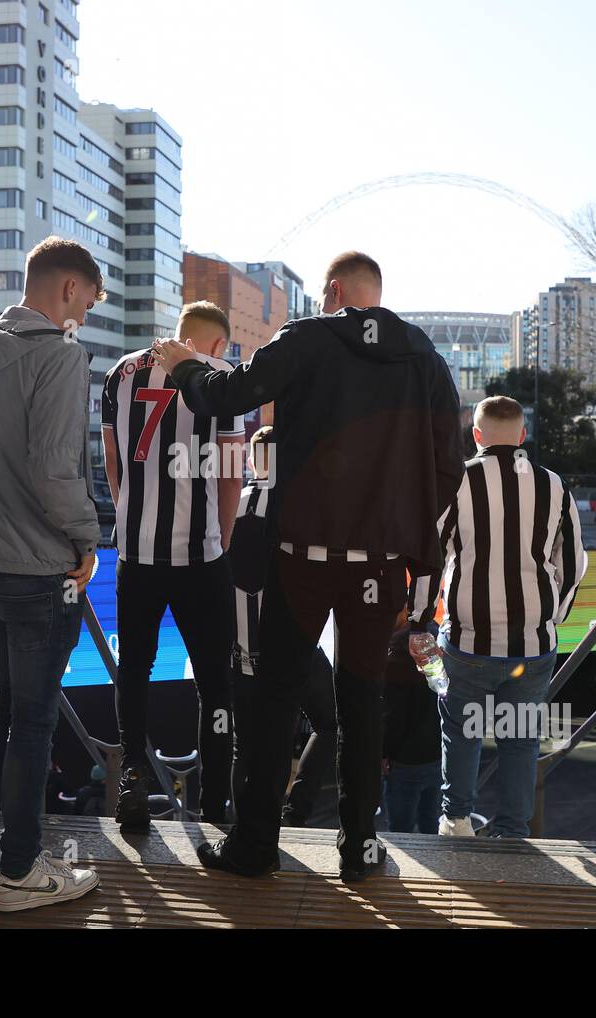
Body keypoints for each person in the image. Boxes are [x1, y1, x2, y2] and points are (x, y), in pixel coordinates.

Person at [153, 251, 465, 881]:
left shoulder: (308, 338)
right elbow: (449, 465)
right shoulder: (425, 359)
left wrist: (184, 365)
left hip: (304, 558)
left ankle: (256, 846)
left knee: (274, 702)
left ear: (332, 291)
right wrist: (410, 542)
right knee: (362, 701)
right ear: (376, 294)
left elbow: (230, 394)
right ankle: (361, 851)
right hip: (379, 565)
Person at [0, 236, 102, 913]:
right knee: (31, 721)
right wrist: (88, 537)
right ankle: (19, 871)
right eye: (87, 303)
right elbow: (54, 470)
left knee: (0, 709)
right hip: (39, 570)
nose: (85, 319)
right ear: (67, 289)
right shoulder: (59, 356)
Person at [101, 300, 243, 828]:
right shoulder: (222, 379)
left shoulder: (120, 373)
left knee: (134, 670)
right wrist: (220, 541)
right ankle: (214, 803)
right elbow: (231, 474)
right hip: (200, 553)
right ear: (217, 345)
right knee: (214, 681)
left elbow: (112, 463)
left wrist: (130, 521)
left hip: (136, 553)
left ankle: (133, 778)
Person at [422, 396, 587, 840]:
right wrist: (553, 615)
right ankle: (513, 833)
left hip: (465, 641)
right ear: (522, 435)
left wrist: (421, 617)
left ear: (476, 435)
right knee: (520, 740)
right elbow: (572, 564)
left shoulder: (455, 482)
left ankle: (456, 821)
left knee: (460, 732)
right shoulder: (554, 485)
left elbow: (429, 554)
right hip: (532, 645)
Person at [226, 426, 336, 828]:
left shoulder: (228, 506)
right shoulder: (306, 507)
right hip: (296, 652)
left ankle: (246, 829)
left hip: (241, 652)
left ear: (253, 461)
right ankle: (293, 812)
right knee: (331, 723)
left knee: (245, 747)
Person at [383, 619, 444, 834]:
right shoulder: (441, 646)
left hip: (404, 762)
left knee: (400, 830)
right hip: (437, 755)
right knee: (431, 824)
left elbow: (393, 717)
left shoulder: (397, 660)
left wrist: (383, 753)